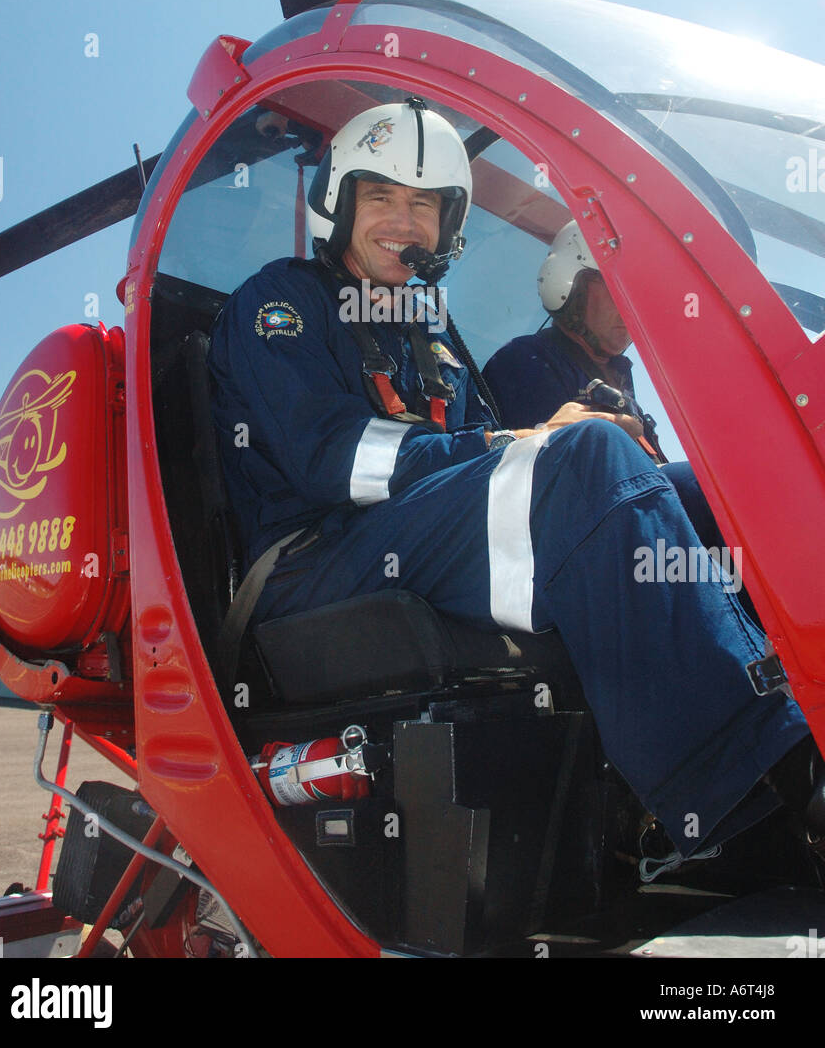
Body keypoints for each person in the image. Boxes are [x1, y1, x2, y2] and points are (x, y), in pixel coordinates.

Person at [207, 98, 824, 863]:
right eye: (382, 197)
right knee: (586, 464)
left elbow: (486, 457)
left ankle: (797, 713)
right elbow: (336, 458)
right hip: (314, 561)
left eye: (424, 204)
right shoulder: (280, 303)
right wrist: (535, 440)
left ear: (447, 224)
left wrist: (572, 443)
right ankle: (763, 789)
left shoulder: (431, 335)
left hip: (410, 537)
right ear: (341, 203)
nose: (403, 221)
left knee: (699, 489)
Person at [482, 220, 721, 551]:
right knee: (695, 486)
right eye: (616, 288)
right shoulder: (526, 360)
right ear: (570, 287)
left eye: (640, 295)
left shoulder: (621, 379)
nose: (631, 307)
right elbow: (553, 483)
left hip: (645, 530)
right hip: (585, 544)